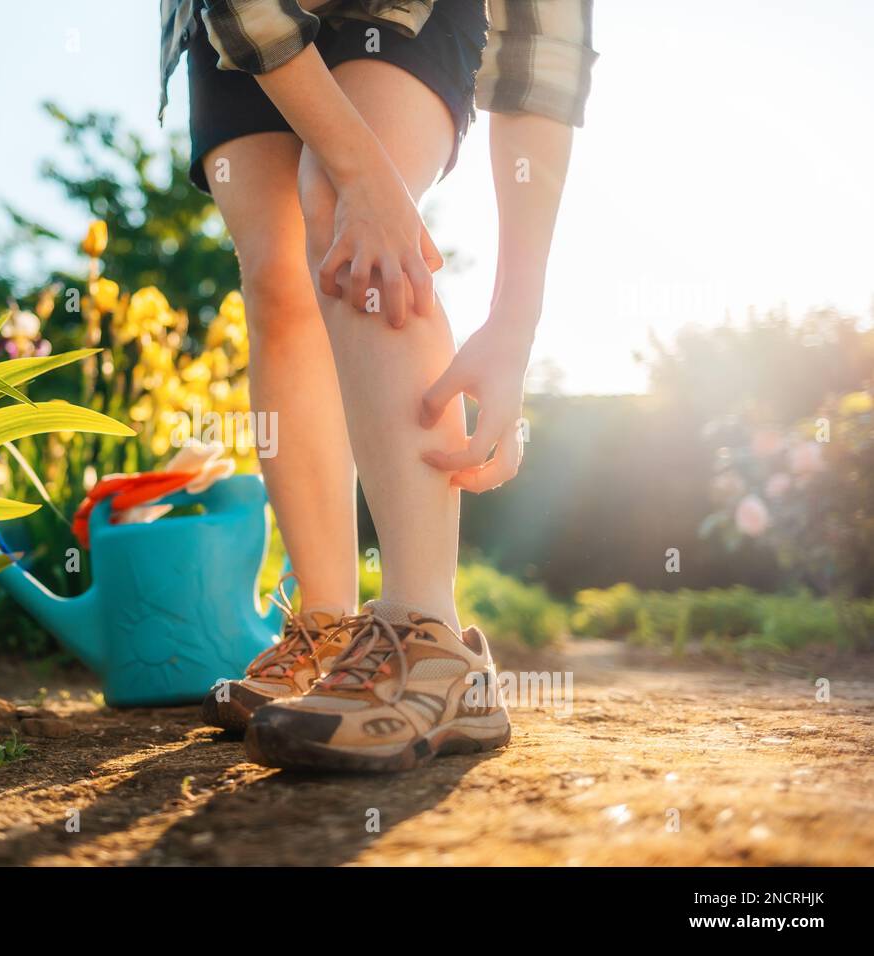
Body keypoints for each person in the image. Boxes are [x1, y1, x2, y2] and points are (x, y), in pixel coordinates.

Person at [158, 0, 596, 771]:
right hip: (238, 20)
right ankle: (329, 628)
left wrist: (514, 324)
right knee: (278, 279)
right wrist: (365, 178)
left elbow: (541, 60)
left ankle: (427, 640)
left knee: (338, 204)